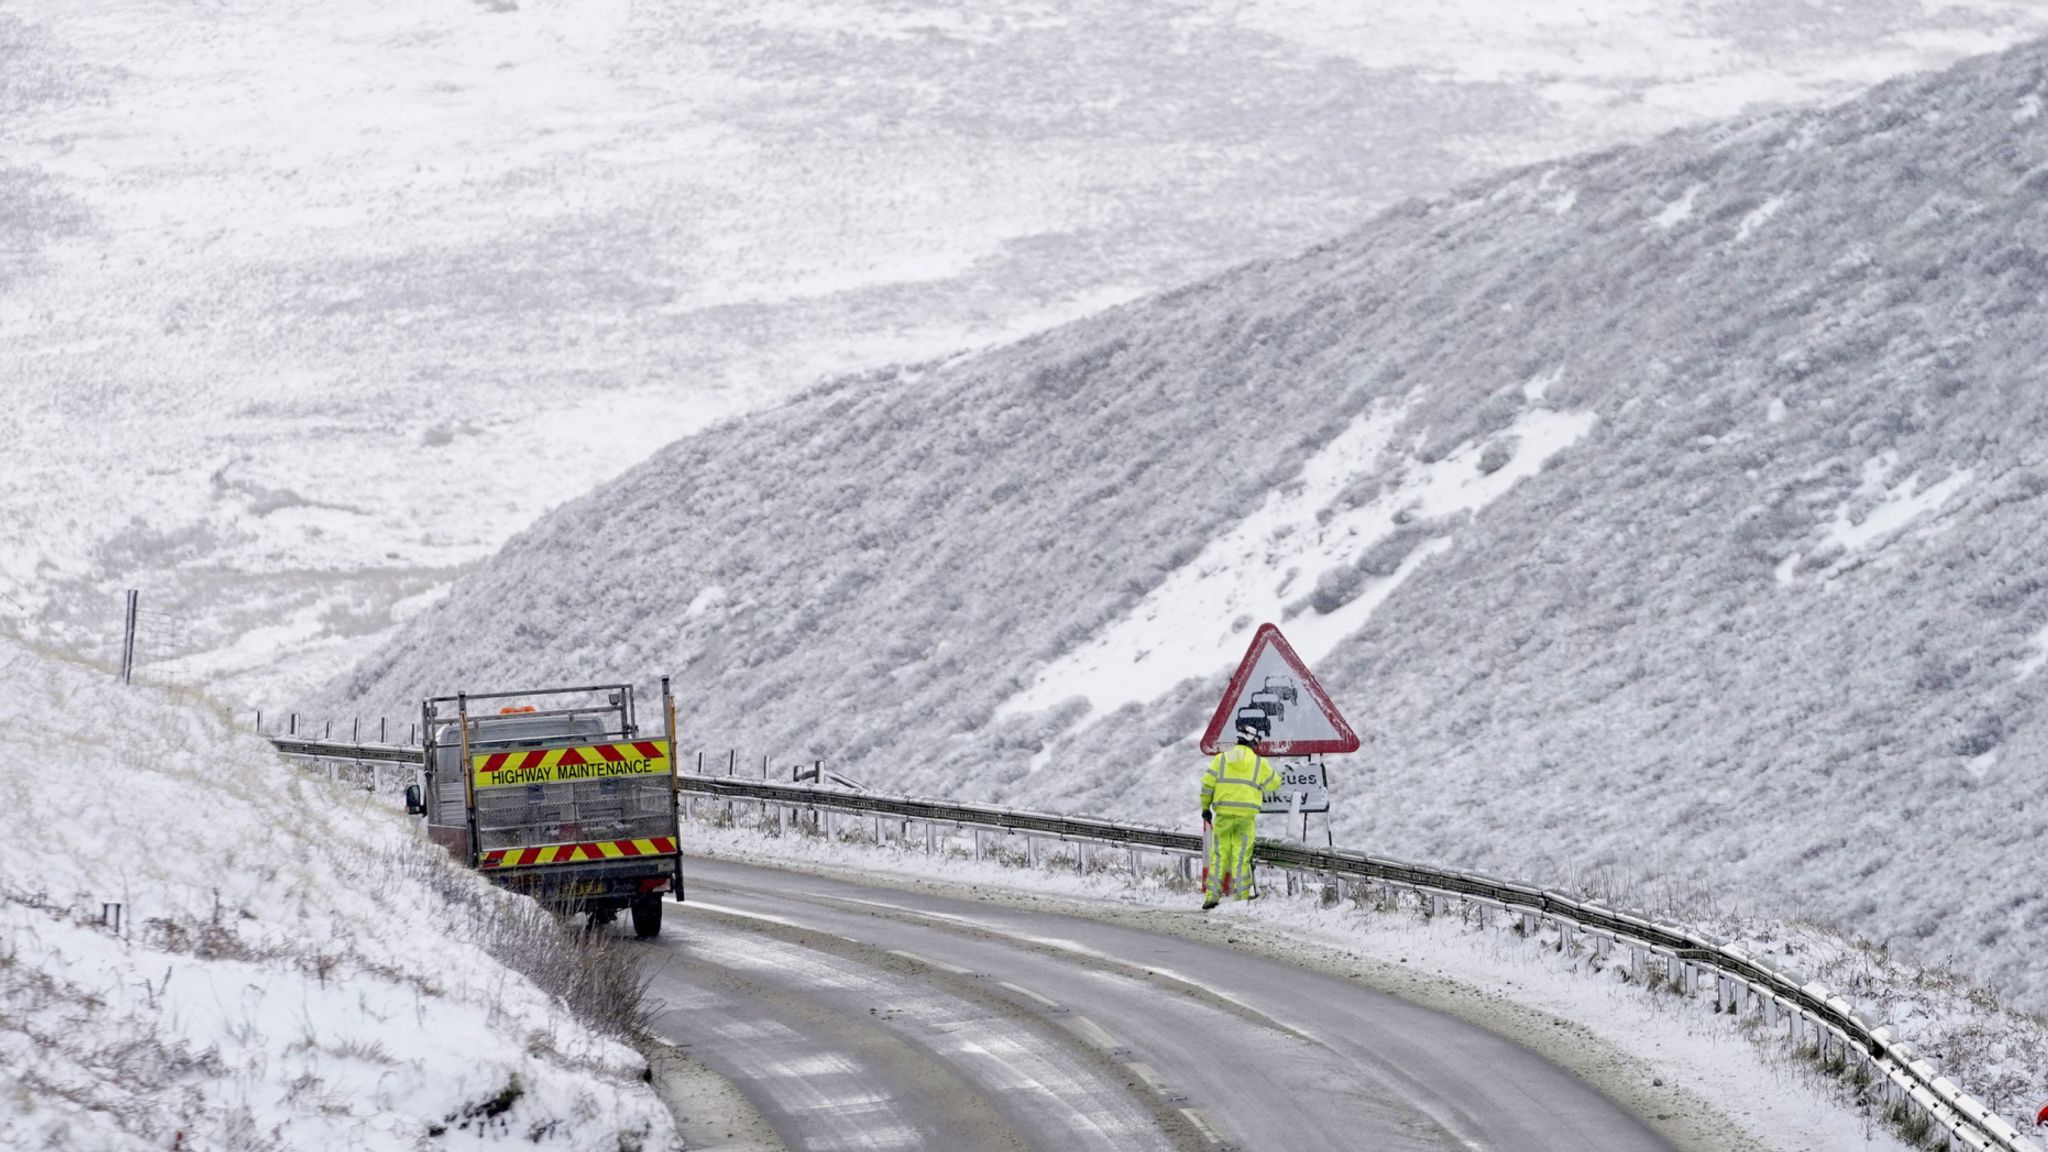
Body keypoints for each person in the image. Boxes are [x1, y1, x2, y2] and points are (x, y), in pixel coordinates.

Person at [1200, 721, 1281, 910]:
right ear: (1254, 742)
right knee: (1241, 857)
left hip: (1223, 817)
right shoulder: (1259, 763)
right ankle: (1240, 897)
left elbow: (1206, 785)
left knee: (1219, 856)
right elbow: (1274, 784)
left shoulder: (1220, 760)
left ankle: (1212, 896)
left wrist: (1205, 807)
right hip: (1246, 818)